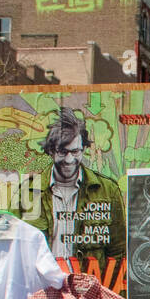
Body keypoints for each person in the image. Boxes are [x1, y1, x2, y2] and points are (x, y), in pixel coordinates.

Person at [27, 107, 126, 270]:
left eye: (75, 151)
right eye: (62, 152)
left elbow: (119, 252)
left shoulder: (108, 190)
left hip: (89, 289)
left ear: (84, 149)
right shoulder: (28, 192)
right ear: (51, 151)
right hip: (45, 289)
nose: (69, 159)